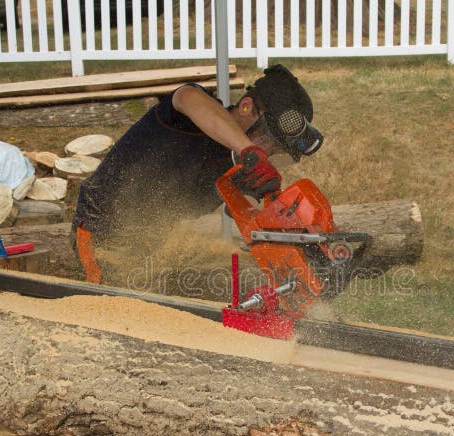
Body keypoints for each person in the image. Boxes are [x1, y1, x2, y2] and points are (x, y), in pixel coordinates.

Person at [72, 64, 324, 284]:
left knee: (235, 279)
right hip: (102, 233)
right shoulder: (191, 112)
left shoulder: (235, 168)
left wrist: (312, 250)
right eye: (267, 140)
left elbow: (261, 224)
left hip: (152, 246)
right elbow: (187, 97)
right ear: (246, 107)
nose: (267, 151)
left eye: (275, 150)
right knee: (118, 298)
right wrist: (249, 150)